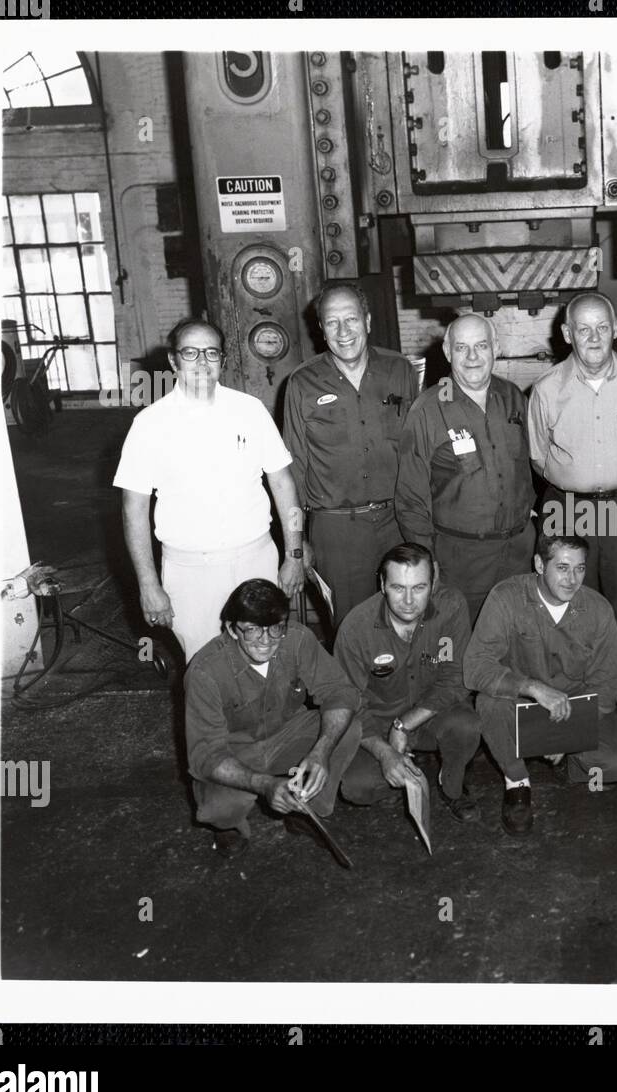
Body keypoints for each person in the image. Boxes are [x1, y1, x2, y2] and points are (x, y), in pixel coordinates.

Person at [114, 318, 304, 662]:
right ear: (173, 361)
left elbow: (283, 485)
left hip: (256, 561)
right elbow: (134, 510)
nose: (202, 362)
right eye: (191, 353)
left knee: (268, 660)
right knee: (205, 671)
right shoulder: (149, 425)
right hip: (190, 574)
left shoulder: (250, 411)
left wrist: (293, 556)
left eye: (211, 353)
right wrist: (148, 584)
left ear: (224, 360)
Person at [184, 579, 378, 859]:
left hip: (287, 732)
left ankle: (305, 810)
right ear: (230, 629)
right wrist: (265, 784)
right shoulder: (204, 672)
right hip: (234, 751)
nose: (265, 641)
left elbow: (340, 692)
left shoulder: (297, 639)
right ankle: (228, 827)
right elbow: (206, 755)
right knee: (219, 809)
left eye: (275, 628)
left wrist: (320, 752)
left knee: (349, 728)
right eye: (251, 630)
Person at [464, 535, 617, 836]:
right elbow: (476, 667)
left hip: (573, 706)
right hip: (522, 702)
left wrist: (564, 736)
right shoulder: (506, 596)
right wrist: (531, 687)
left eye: (580, 569)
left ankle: (563, 759)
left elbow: (609, 680)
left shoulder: (597, 609)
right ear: (540, 564)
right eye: (563, 568)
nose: (572, 579)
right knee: (488, 703)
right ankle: (517, 781)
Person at [282, 281, 420, 630]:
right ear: (321, 330)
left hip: (398, 521)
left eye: (352, 319)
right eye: (332, 322)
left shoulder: (400, 371)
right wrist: (297, 547)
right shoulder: (302, 383)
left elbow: (420, 452)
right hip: (336, 529)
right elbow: (293, 471)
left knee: (409, 620)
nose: (344, 331)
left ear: (368, 321)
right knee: (351, 629)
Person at [528, 291, 617, 628]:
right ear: (567, 334)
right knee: (567, 604)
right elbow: (538, 454)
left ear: (615, 328)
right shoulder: (546, 389)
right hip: (567, 509)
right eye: (583, 329)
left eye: (602, 327)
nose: (594, 337)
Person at [396, 314, 534, 620]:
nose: (472, 357)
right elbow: (410, 497)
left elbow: (529, 467)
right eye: (461, 348)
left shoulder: (513, 397)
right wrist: (424, 559)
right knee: (465, 648)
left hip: (519, 554)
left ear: (496, 347)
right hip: (461, 563)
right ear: (447, 352)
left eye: (481, 345)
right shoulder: (427, 410)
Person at [333, 542, 482, 822]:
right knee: (358, 787)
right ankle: (399, 773)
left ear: (433, 583)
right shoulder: (356, 628)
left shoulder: (450, 608)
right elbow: (347, 703)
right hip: (376, 722)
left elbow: (456, 678)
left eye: (419, 587)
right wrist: (384, 752)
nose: (409, 601)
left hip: (431, 711)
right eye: (398, 588)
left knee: (467, 726)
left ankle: (451, 785)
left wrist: (405, 725)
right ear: (382, 584)